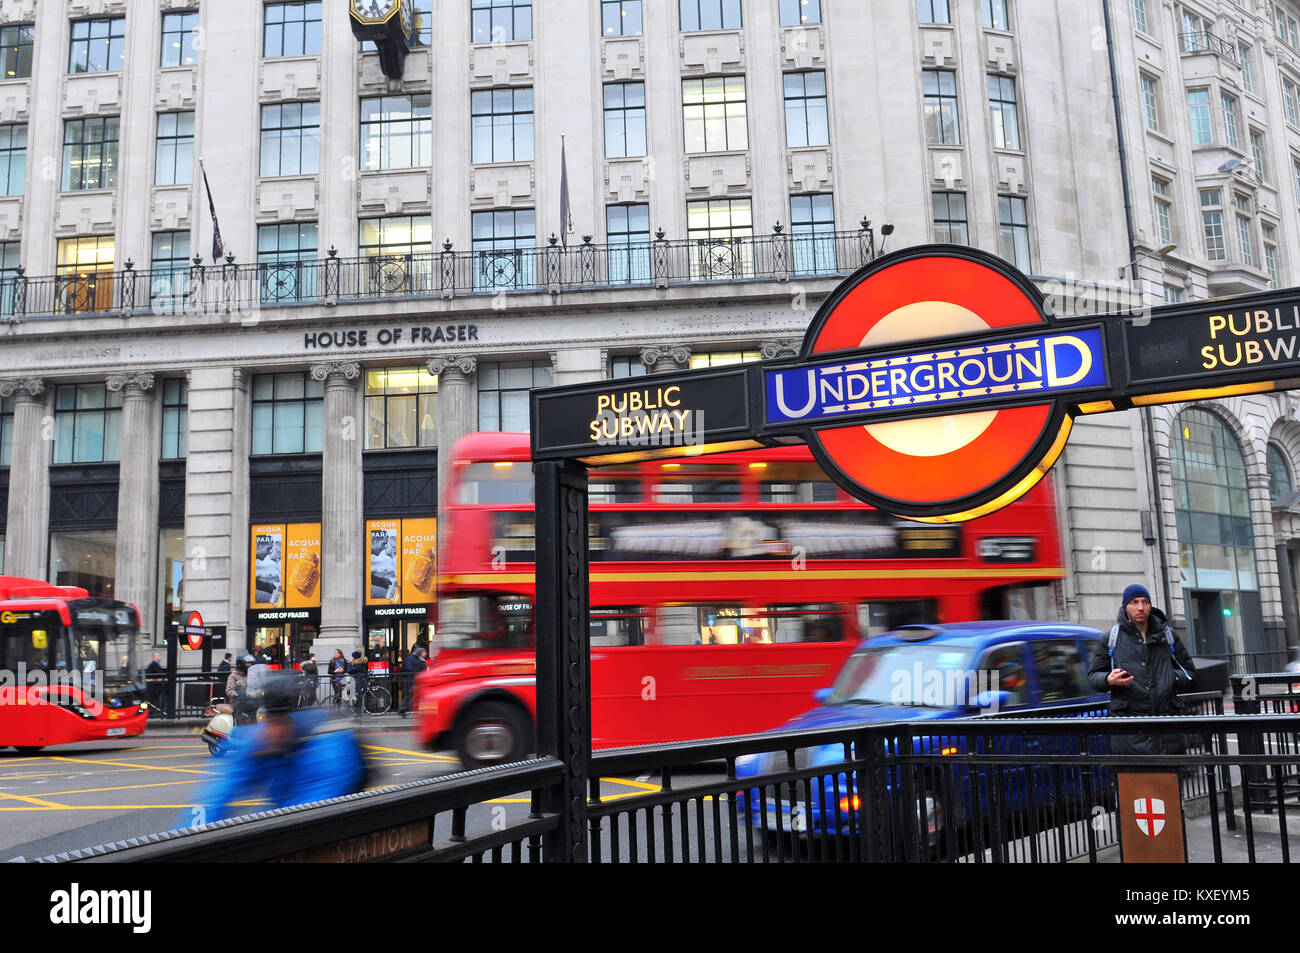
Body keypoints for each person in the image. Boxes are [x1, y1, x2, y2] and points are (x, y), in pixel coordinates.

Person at [186, 673, 368, 826]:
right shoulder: (262, 740)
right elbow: (218, 793)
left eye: (281, 721)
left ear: (296, 718)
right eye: (270, 721)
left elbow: (300, 818)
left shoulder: (332, 749)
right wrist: (190, 835)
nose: (274, 732)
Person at [1088, 584, 1197, 755]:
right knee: (1134, 780)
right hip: (1129, 733)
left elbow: (1190, 673)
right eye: (1134, 602)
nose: (1140, 607)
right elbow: (1093, 676)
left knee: (1169, 781)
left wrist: (1172, 678)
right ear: (1125, 606)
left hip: (1167, 731)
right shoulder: (1111, 639)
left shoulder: (1168, 636)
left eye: (1145, 602)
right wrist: (1108, 679)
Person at [399, 646, 427, 717]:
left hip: (413, 680)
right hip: (410, 680)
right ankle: (402, 709)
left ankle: (403, 709)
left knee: (410, 696)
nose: (425, 653)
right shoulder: (412, 659)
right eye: (423, 652)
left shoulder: (418, 659)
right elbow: (410, 668)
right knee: (410, 696)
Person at [347, 651, 369, 715]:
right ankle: (357, 711)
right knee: (356, 697)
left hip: (357, 682)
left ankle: (358, 712)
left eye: (352, 656)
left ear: (354, 657)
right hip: (356, 682)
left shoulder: (357, 664)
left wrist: (351, 663)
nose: (350, 657)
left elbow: (349, 670)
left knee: (356, 697)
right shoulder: (359, 663)